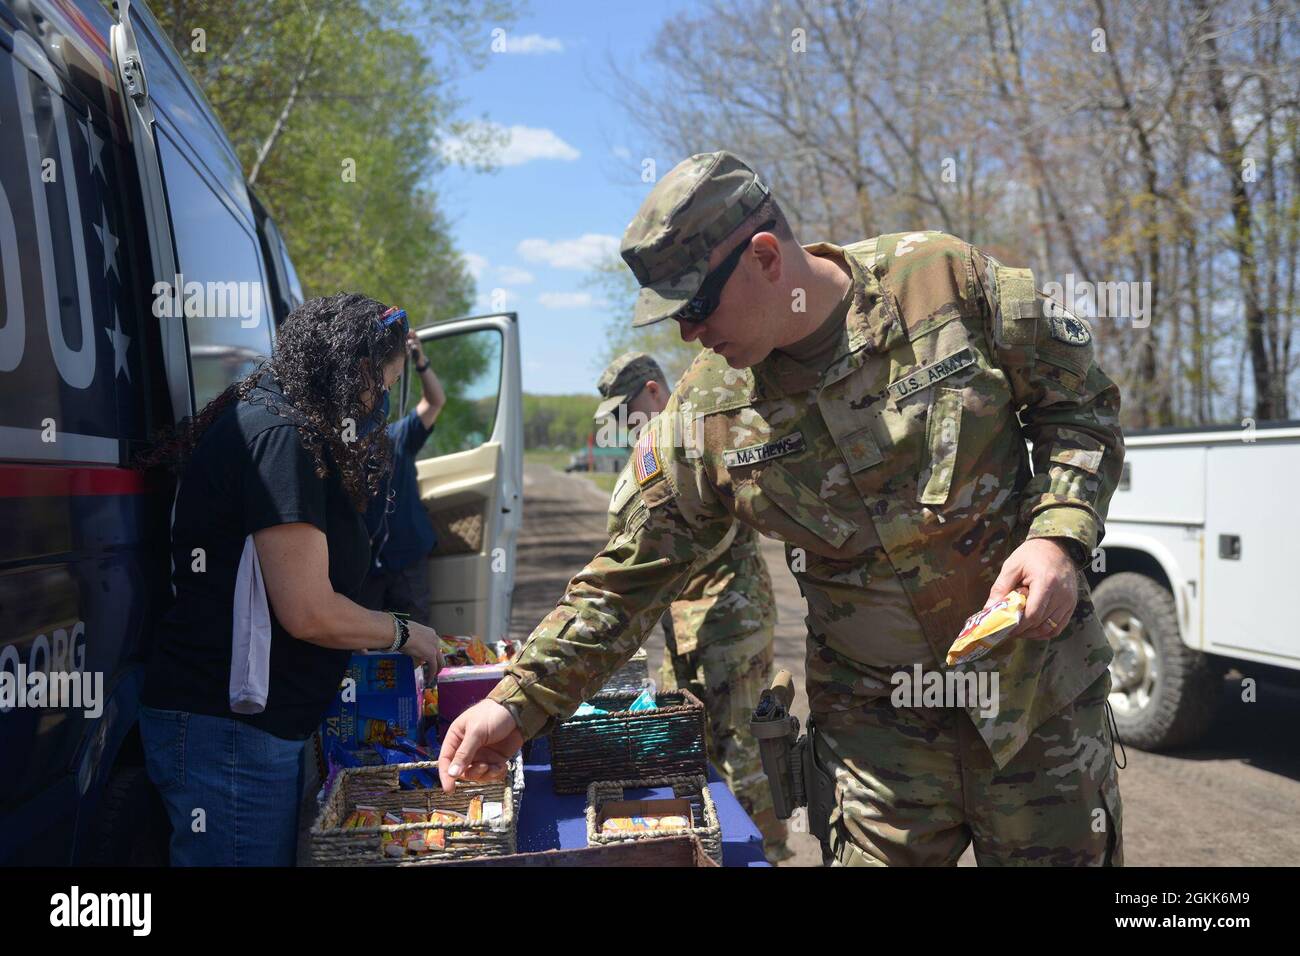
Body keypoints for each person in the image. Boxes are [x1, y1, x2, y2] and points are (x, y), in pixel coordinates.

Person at [441, 151, 1126, 867]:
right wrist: (516, 704)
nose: (688, 335)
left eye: (697, 306)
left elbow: (1080, 406)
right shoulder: (706, 415)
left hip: (1038, 712)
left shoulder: (942, 281)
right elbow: (627, 576)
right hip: (880, 755)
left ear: (765, 256)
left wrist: (1058, 536)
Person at [136, 293, 442, 866]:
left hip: (247, 729)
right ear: (351, 369)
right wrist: (404, 632)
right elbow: (308, 611)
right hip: (229, 732)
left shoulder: (279, 421)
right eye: (382, 383)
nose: (378, 403)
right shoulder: (282, 437)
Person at [594, 351, 789, 861]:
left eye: (625, 411)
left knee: (742, 753)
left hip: (730, 621)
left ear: (654, 392)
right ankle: (712, 850)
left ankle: (766, 855)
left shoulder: (706, 435)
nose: (622, 425)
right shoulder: (656, 449)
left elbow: (696, 542)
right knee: (684, 747)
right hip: (683, 625)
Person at [360, 330, 446, 623]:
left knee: (415, 639)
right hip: (364, 566)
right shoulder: (340, 446)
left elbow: (435, 402)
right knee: (364, 642)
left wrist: (419, 360)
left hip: (408, 557)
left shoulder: (398, 436)